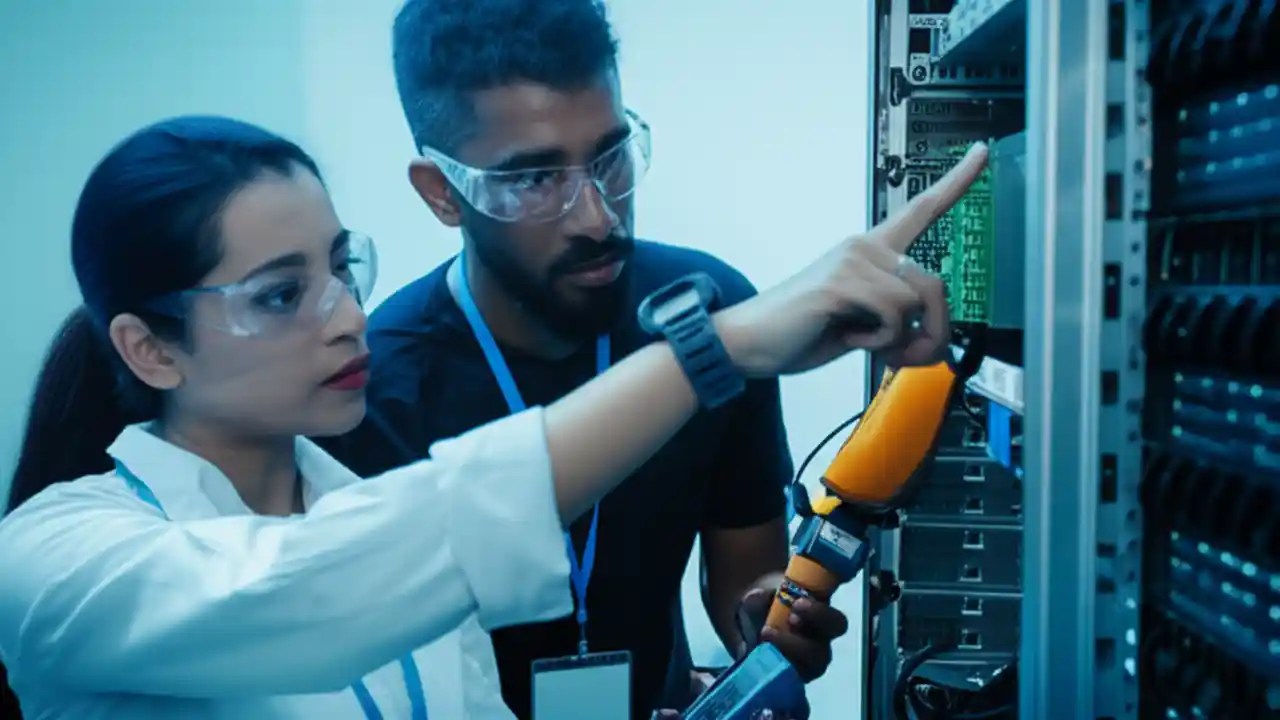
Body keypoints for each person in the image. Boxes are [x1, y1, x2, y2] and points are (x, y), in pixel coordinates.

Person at [0, 108, 982, 719]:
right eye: (277, 293)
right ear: (149, 347)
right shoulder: (57, 560)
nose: (347, 319)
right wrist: (711, 350)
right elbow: (311, 588)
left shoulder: (370, 520)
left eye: (341, 267)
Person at [318, 0, 855, 715]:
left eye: (610, 155)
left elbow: (745, 572)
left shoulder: (711, 308)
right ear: (442, 193)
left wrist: (763, 621)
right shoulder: (376, 390)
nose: (599, 216)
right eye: (536, 179)